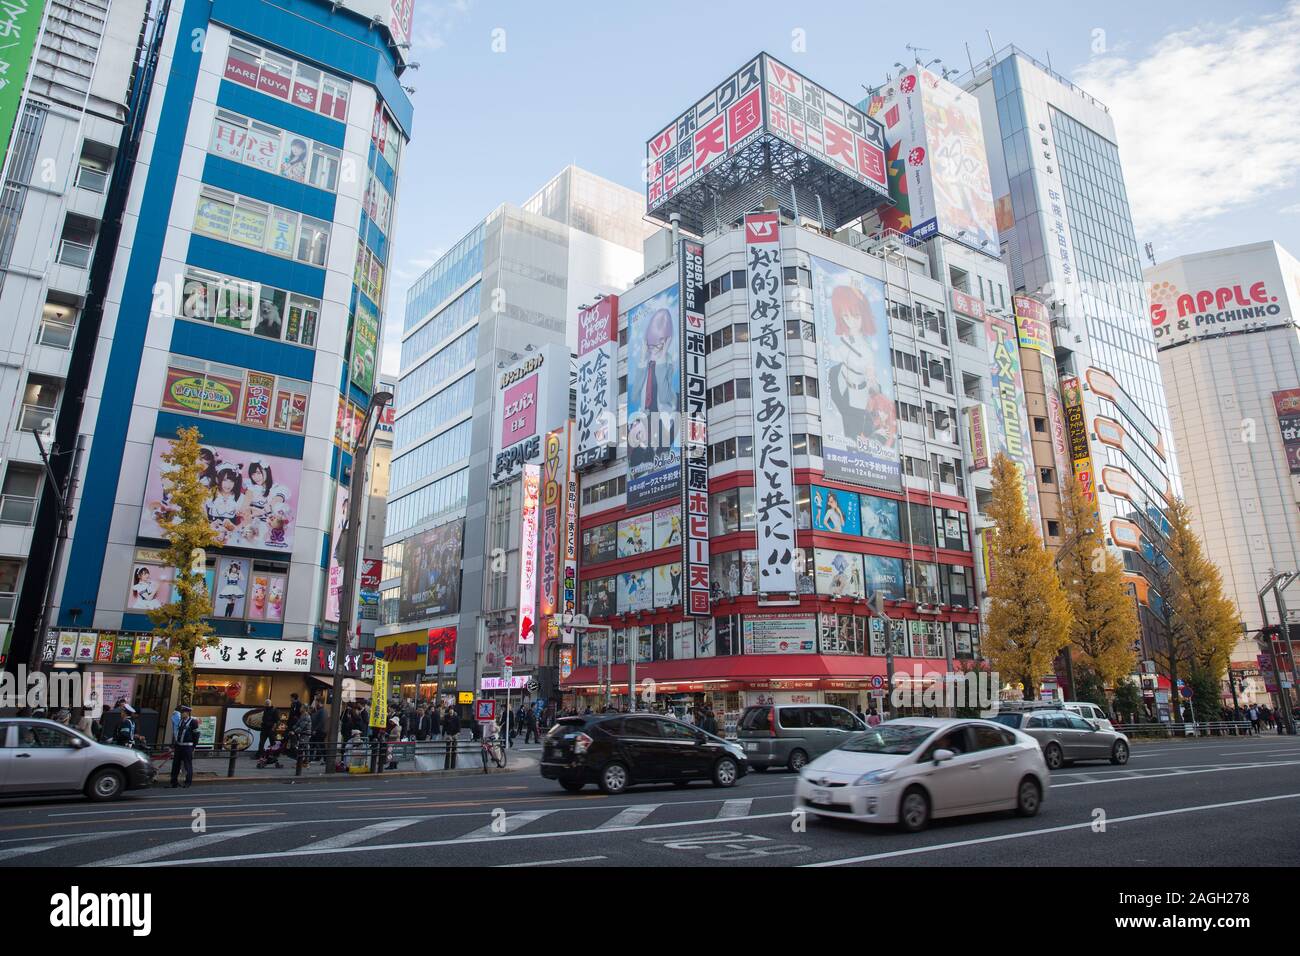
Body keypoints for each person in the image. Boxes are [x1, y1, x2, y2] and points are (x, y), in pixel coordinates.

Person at [171, 705, 200, 788]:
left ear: (187, 713)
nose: (182, 714)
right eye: (181, 713)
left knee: (187, 765)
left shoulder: (193, 722)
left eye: (183, 713)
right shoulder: (181, 721)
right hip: (179, 746)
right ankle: (174, 782)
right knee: (176, 764)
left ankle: (188, 782)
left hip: (188, 746)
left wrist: (194, 747)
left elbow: (196, 735)